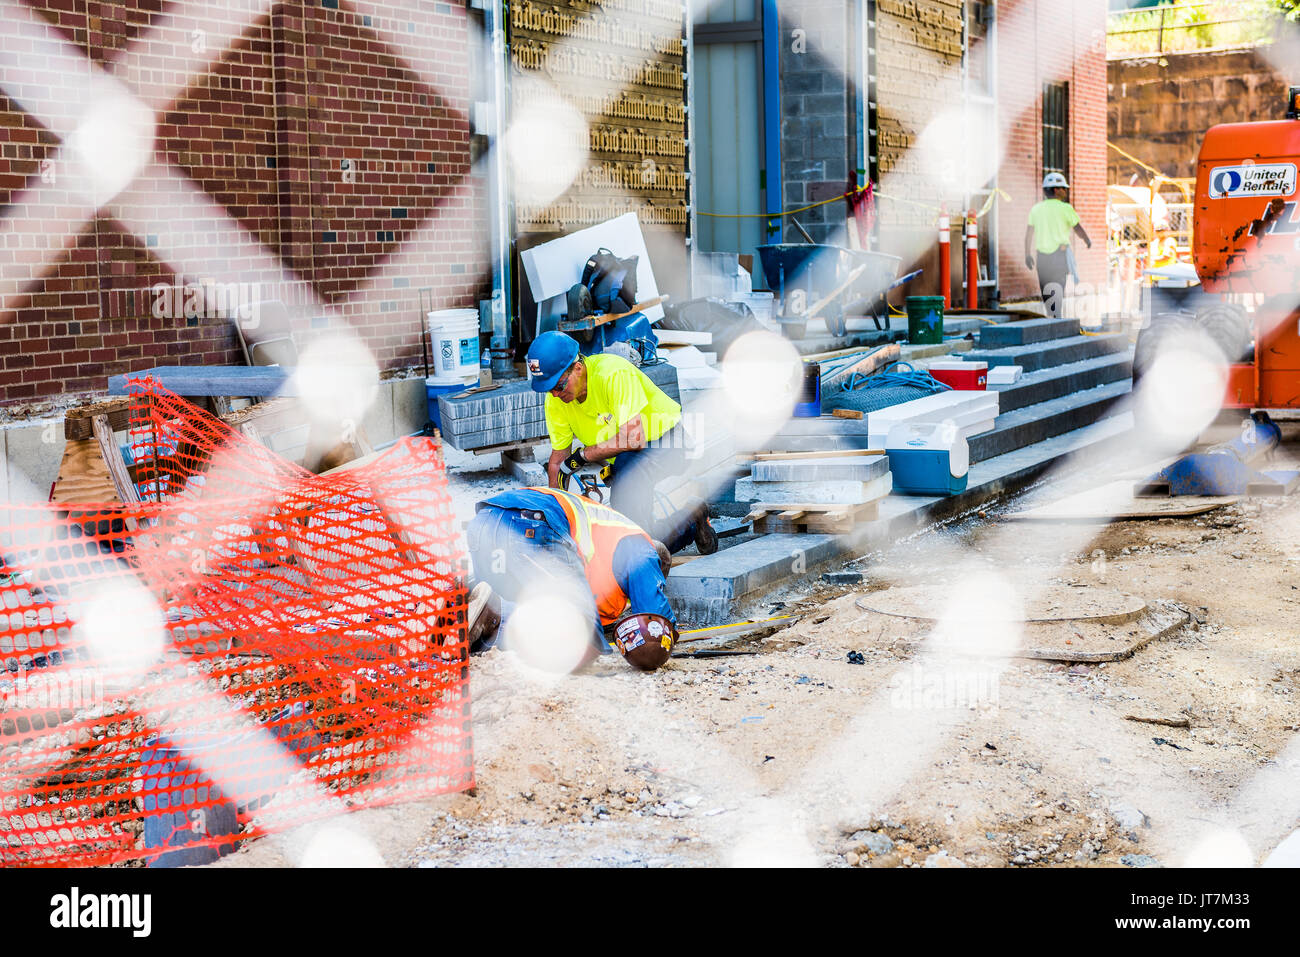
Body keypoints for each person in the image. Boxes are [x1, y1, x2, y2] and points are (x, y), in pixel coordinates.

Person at [524, 330, 717, 555]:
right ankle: (689, 518)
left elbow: (634, 438)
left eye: (558, 386)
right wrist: (555, 515)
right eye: (548, 389)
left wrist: (584, 455)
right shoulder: (556, 401)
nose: (555, 394)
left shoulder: (612, 374)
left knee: (630, 531)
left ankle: (674, 533)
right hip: (628, 457)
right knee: (635, 530)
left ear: (577, 368)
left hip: (671, 444)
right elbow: (558, 461)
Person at [465, 485, 677, 671]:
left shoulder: (608, 554)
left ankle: (460, 616)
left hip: (485, 521)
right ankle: (494, 614)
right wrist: (669, 634)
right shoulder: (642, 547)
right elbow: (655, 618)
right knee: (584, 642)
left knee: (499, 638)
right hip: (532, 523)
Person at [1025, 172, 1092, 319]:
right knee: (1057, 290)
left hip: (1042, 258)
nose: (1065, 191)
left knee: (1047, 292)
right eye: (1063, 188)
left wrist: (1027, 254)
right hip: (1059, 257)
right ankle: (1056, 320)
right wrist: (1087, 240)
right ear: (1055, 190)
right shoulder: (1065, 208)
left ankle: (1052, 318)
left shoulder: (1036, 209)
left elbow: (1029, 233)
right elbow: (1078, 228)